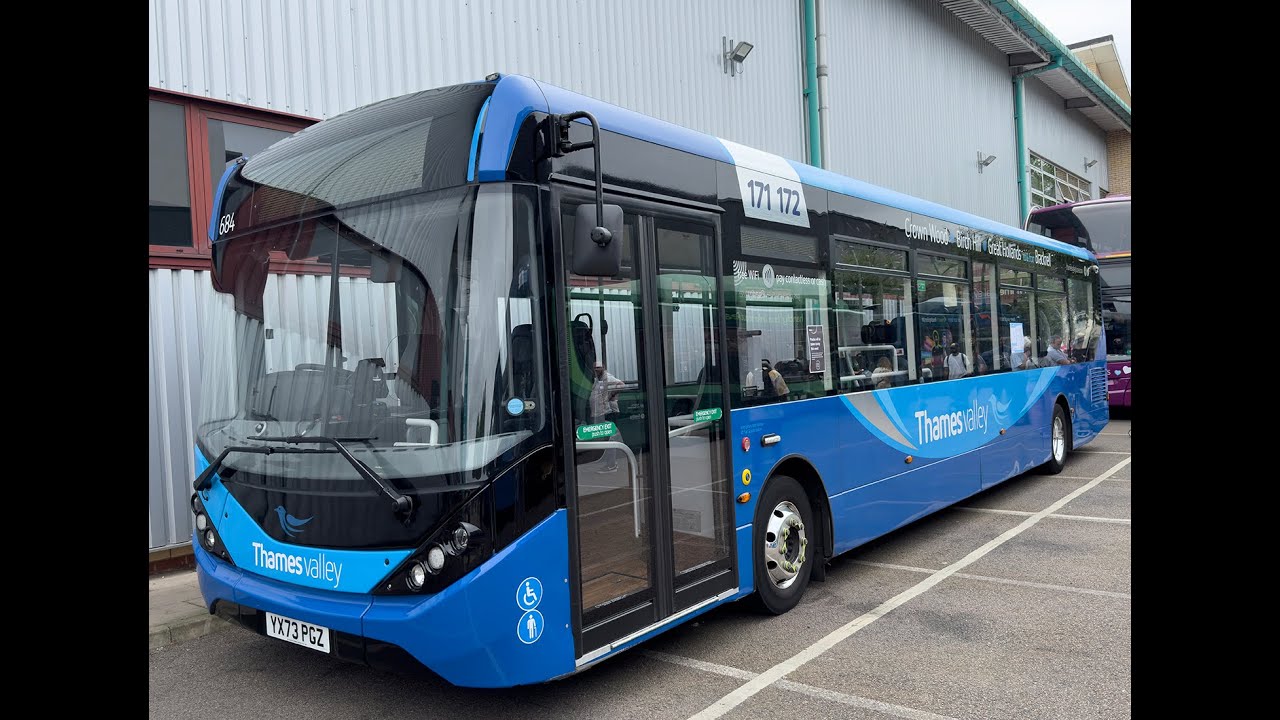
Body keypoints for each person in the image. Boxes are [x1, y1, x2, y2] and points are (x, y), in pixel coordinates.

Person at [589, 361, 625, 473]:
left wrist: (611, 395)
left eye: (598, 368)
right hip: (600, 412)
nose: (596, 370)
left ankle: (612, 465)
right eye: (595, 368)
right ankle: (611, 461)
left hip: (608, 412)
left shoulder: (607, 377)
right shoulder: (596, 379)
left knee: (611, 436)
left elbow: (621, 384)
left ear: (603, 367)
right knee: (608, 436)